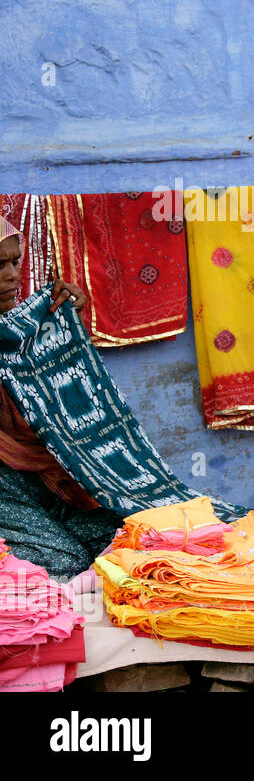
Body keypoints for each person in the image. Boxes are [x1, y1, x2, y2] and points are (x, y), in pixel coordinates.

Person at [0, 216, 120, 577]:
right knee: (63, 565)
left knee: (125, 545)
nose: (10, 276)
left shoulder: (21, 332)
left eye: (14, 261)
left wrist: (62, 330)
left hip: (46, 476)